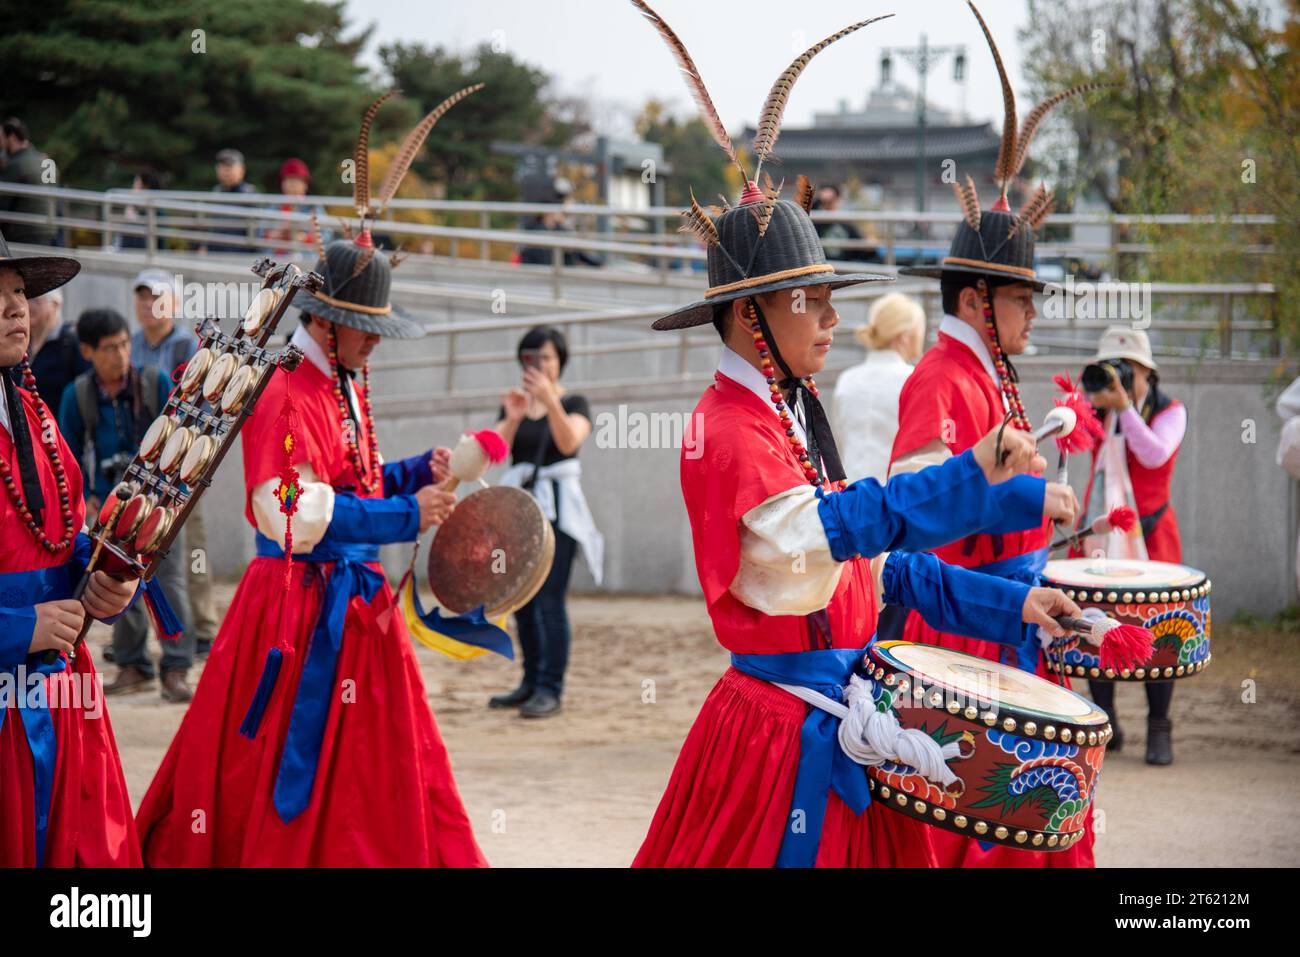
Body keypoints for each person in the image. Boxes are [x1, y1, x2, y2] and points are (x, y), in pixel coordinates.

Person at [629, 3, 1080, 868]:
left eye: (834, 298)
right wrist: (979, 468)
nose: (834, 319)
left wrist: (1012, 603)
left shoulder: (785, 417)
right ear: (753, 314)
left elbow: (878, 570)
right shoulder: (727, 432)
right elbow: (848, 530)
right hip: (780, 738)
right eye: (814, 300)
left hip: (833, 715)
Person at [135, 91, 487, 866]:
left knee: (383, 768)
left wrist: (411, 473)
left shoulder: (343, 379)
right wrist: (405, 514)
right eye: (368, 328)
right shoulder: (290, 386)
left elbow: (349, 479)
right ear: (327, 321)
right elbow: (288, 510)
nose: (377, 343)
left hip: (349, 602)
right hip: (296, 608)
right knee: (269, 769)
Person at [889, 2, 1101, 869]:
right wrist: (1024, 492)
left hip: (1009, 614)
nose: (1032, 312)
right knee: (974, 837)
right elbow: (916, 510)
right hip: (961, 627)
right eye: (1021, 297)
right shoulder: (939, 378)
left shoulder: (988, 374)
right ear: (977, 300)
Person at [0, 229, 142, 866]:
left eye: (18, 293)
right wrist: (16, 628)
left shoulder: (36, 413)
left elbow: (56, 536)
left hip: (60, 689)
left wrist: (102, 576)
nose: (15, 309)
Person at [57, 308, 194, 703]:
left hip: (162, 502)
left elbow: (181, 436)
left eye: (124, 344)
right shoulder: (77, 394)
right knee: (117, 579)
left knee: (170, 581)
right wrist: (86, 500)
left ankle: (176, 667)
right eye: (109, 348)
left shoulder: (154, 381)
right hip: (110, 507)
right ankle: (133, 664)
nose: (120, 355)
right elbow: (67, 455)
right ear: (87, 351)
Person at [1077, 326, 1187, 765]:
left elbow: (1155, 453)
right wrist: (1081, 407)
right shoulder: (1101, 409)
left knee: (1159, 627)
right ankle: (1107, 720)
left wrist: (1124, 409)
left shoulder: (1171, 411)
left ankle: (1159, 726)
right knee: (1097, 620)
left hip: (1153, 536)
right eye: (1112, 370)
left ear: (1148, 374)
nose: (1120, 379)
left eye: (1127, 371)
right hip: (1103, 535)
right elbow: (1078, 445)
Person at [489, 325, 602, 718]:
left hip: (558, 510)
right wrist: (516, 415)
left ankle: (551, 688)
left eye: (547, 357)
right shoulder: (515, 402)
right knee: (522, 600)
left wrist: (550, 401)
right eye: (532, 357)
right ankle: (530, 680)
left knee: (551, 599)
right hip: (521, 508)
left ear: (560, 361)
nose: (539, 364)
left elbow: (570, 442)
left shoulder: (575, 401)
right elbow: (498, 451)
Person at [129, 268, 216, 657]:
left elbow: (203, 406)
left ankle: (203, 627)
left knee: (190, 547)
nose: (149, 305)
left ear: (174, 305)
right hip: (143, 464)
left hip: (182, 465)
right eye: (143, 296)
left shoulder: (187, 347)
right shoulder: (128, 345)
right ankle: (157, 637)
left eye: (157, 297)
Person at [831, 292, 925, 484]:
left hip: (850, 494)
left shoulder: (847, 379)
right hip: (894, 495)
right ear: (906, 335)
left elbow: (840, 440)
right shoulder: (914, 379)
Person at [24, 287, 88, 410]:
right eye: (26, 298)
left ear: (56, 304)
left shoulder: (72, 342)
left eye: (36, 300)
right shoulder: (21, 342)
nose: (28, 305)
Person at [0, 119, 56, 246]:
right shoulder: (46, 162)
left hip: (24, 234)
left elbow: (3, 202)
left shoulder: (17, 164)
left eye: (2, 139)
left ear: (12, 137)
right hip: (50, 232)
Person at [202, 148, 258, 254]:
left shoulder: (250, 194)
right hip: (216, 252)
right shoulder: (216, 192)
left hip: (241, 253)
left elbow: (257, 231)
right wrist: (205, 245)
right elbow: (211, 226)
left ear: (241, 170)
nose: (225, 171)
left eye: (229, 167)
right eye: (222, 167)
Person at [811, 184, 876, 262]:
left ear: (838, 200)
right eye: (824, 202)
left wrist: (869, 245)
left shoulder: (846, 224)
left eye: (831, 201)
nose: (827, 205)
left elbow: (862, 250)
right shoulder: (815, 222)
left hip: (843, 268)